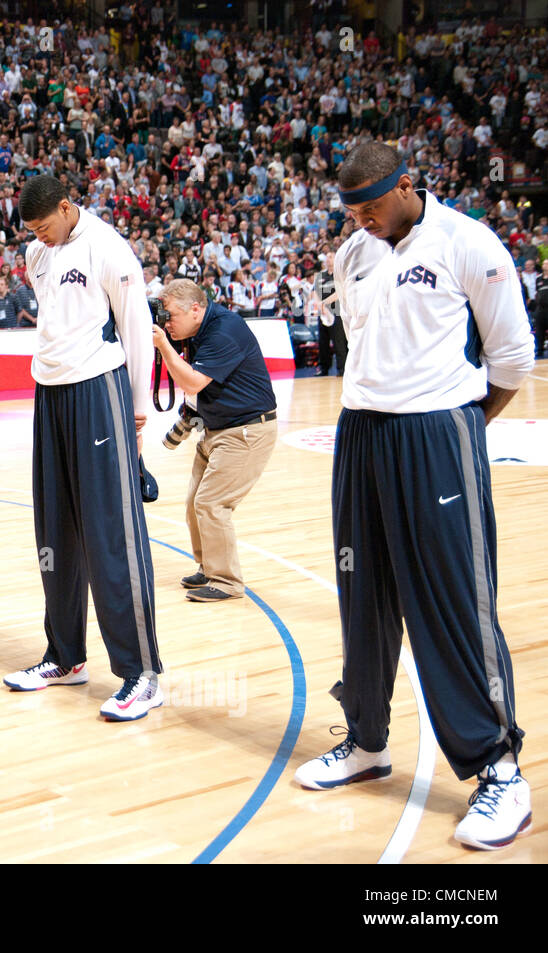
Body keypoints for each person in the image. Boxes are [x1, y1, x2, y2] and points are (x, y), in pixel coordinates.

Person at [295, 142, 534, 851]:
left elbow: (513, 356)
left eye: (372, 206)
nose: (363, 220)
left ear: (408, 186)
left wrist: (458, 423)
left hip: (436, 434)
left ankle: (499, 769)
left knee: (454, 599)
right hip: (360, 432)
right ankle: (367, 739)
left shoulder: (470, 243)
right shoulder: (357, 253)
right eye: (353, 211)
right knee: (361, 592)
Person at [3, 174, 163, 723]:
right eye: (32, 231)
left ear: (68, 208)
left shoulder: (110, 249)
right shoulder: (36, 254)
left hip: (100, 392)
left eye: (45, 227)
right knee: (55, 529)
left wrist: (139, 408)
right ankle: (65, 656)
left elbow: (137, 329)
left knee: (110, 533)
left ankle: (142, 672)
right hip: (50, 392)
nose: (39, 238)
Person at [151, 279, 277, 601]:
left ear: (196, 309)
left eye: (171, 317)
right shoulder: (196, 329)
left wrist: (164, 345)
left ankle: (226, 582)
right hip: (215, 429)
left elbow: (192, 382)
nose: (167, 325)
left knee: (211, 503)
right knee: (195, 503)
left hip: (246, 431)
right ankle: (208, 567)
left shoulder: (224, 330)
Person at [314, 248, 347, 376]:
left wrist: (324, 302)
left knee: (339, 342)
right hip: (323, 314)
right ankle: (324, 368)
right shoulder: (320, 275)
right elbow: (314, 292)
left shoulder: (340, 273)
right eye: (327, 257)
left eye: (331, 257)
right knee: (323, 342)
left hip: (337, 312)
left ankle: (342, 369)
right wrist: (318, 304)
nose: (328, 259)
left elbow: (340, 292)